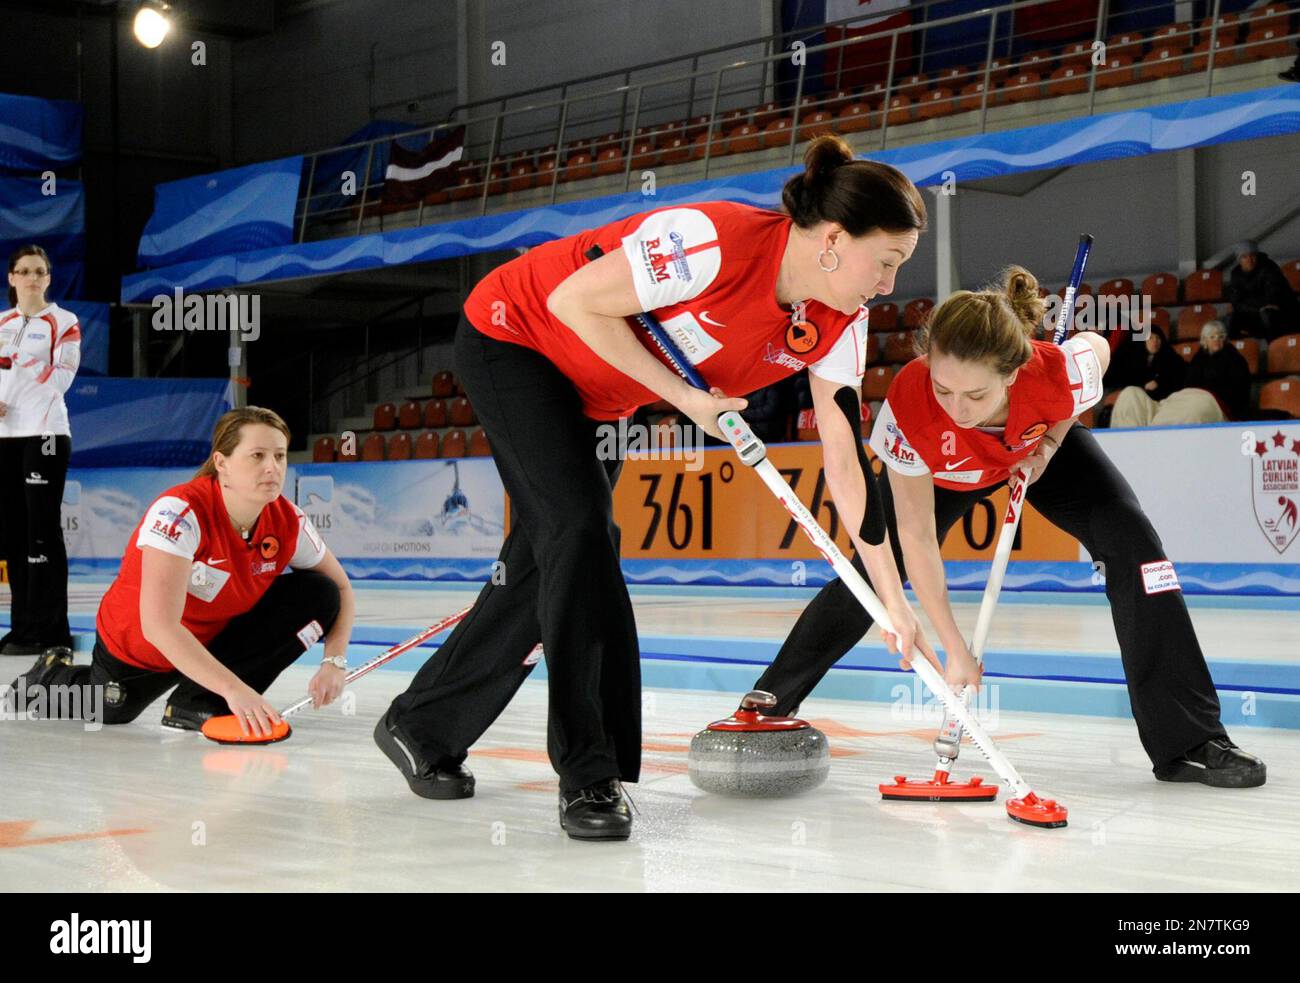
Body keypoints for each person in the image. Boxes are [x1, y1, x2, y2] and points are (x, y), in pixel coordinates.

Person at [376, 135, 934, 840]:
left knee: (551, 556)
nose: (888, 285)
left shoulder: (838, 324)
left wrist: (888, 594)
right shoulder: (708, 242)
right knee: (582, 535)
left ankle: (419, 722)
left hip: (600, 394)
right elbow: (574, 301)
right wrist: (688, 400)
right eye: (886, 262)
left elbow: (847, 461)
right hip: (517, 338)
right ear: (832, 240)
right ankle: (587, 772)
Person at [745, 267, 1265, 788]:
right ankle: (766, 706)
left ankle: (1190, 742)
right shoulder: (910, 405)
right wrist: (955, 648)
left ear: (1012, 374)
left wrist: (1051, 444)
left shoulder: (1054, 371)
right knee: (874, 576)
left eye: (975, 396)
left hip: (1033, 448)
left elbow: (1095, 358)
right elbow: (919, 537)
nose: (957, 409)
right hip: (946, 471)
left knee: (1134, 543)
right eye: (944, 388)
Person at [5, 407, 355, 738]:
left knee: (319, 592)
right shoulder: (178, 513)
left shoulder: (288, 520)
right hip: (141, 645)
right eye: (257, 456)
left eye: (279, 456)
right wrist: (236, 688)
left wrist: (334, 661)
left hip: (213, 636)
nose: (273, 468)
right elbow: (160, 628)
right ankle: (48, 677)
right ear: (222, 463)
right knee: (111, 709)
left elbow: (340, 588)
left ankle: (200, 703)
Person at [0, 245, 80, 657]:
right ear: (11, 278)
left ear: (48, 278)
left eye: (39, 271)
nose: (32, 277)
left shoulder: (63, 322)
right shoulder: (0, 322)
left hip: (45, 434)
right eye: (24, 271)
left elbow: (61, 381)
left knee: (41, 531)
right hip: (5, 437)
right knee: (13, 533)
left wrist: (21, 360)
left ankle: (52, 629)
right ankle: (21, 629)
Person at [1111, 320, 1245, 427]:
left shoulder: (1234, 359)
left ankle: (1154, 435)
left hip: (1209, 401)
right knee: (1130, 393)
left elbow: (1236, 392)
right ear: (1204, 340)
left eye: (1220, 337)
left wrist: (1159, 382)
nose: (1217, 340)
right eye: (1212, 337)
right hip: (1173, 401)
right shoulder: (1198, 359)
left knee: (1194, 407)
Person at [1224, 241, 1299, 341]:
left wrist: (1248, 303)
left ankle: (1274, 351)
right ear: (1239, 260)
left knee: (1268, 313)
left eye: (1253, 255)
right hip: (1255, 314)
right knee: (1230, 318)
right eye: (1244, 257)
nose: (1250, 260)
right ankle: (1237, 351)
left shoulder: (1269, 267)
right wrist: (1258, 306)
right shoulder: (1236, 274)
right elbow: (1236, 302)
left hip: (1282, 315)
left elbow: (1273, 297)